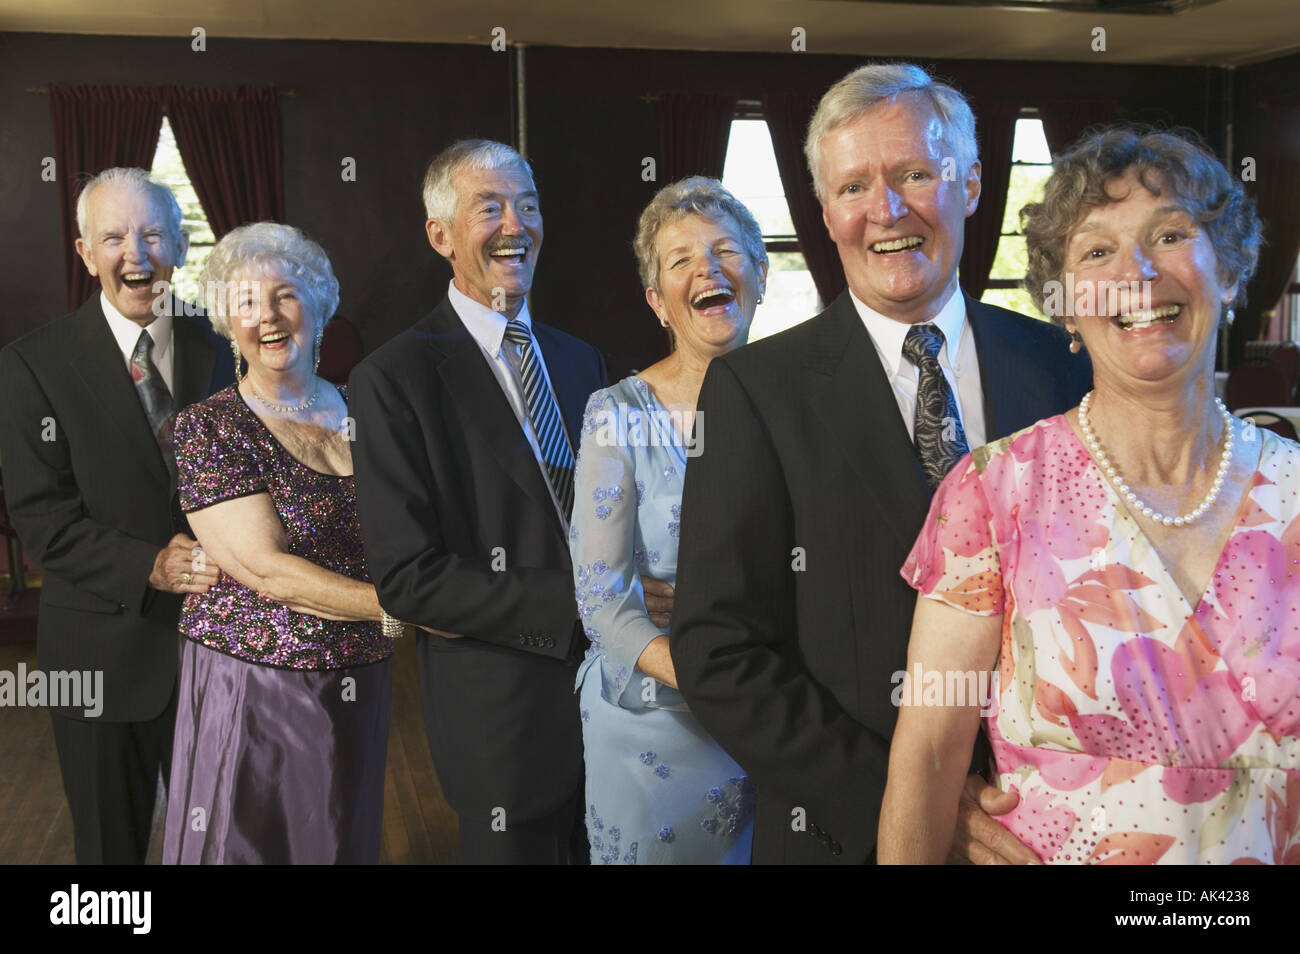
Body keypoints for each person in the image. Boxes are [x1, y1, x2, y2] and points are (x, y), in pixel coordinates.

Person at [668, 62, 1092, 864]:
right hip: (849, 832)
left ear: (970, 184)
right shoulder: (757, 391)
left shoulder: (1065, 366)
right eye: (854, 186)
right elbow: (720, 652)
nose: (885, 211)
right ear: (824, 212)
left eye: (914, 174)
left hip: (1059, 825)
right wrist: (918, 801)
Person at [881, 126, 1298, 864]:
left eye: (1170, 234)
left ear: (1229, 272)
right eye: (1097, 251)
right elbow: (929, 764)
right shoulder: (992, 493)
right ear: (1067, 306)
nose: (1137, 271)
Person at [350, 139, 635, 864]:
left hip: (620, 707)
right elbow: (409, 579)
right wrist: (585, 606)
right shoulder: (393, 379)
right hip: (504, 720)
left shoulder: (580, 360)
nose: (517, 224)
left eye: (530, 206)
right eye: (491, 207)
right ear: (440, 236)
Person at [0, 167, 234, 864]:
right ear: (84, 252)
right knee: (110, 857)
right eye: (113, 237)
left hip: (222, 654)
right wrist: (153, 565)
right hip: (101, 661)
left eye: (153, 233)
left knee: (226, 844)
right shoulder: (31, 365)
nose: (135, 253)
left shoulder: (226, 346)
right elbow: (42, 519)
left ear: (181, 247)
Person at [161, 222, 392, 864]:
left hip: (361, 674)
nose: (267, 317)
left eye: (285, 295)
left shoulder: (370, 411)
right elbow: (268, 572)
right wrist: (406, 610)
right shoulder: (208, 428)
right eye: (245, 303)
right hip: (255, 686)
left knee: (341, 839)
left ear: (318, 305)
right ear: (226, 324)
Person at [571, 178, 765, 864]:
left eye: (725, 251)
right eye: (679, 260)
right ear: (657, 301)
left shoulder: (809, 402)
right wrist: (722, 681)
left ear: (760, 274)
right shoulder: (616, 414)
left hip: (792, 720)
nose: (706, 269)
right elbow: (601, 599)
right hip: (657, 724)